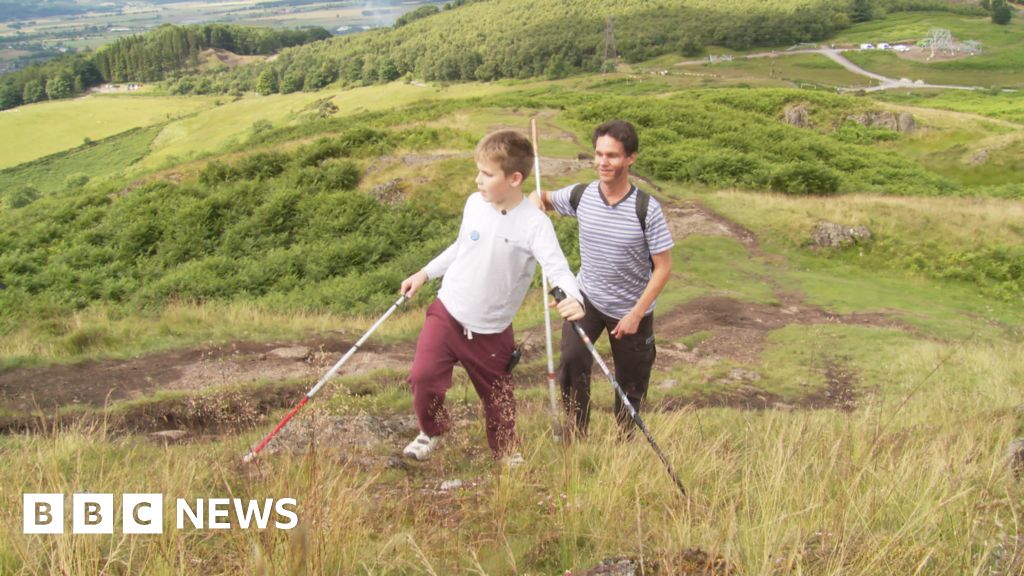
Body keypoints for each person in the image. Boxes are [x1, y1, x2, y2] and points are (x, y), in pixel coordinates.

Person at [399, 129, 585, 464]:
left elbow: (558, 269)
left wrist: (572, 297)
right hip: (448, 312)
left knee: (498, 399)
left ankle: (506, 451)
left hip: (492, 329)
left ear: (515, 178)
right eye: (478, 171)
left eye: (487, 174)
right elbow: (460, 247)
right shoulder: (474, 204)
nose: (478, 180)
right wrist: (425, 273)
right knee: (423, 378)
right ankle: (433, 431)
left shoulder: (535, 225)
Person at [530, 120, 674, 439]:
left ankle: (624, 440)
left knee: (630, 382)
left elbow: (663, 267)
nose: (602, 162)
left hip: (630, 309)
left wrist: (636, 315)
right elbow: (542, 198)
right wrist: (535, 207)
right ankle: (577, 432)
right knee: (571, 362)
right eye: (598, 154)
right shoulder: (582, 195)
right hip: (587, 300)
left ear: (630, 158)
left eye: (612, 156)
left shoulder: (646, 209)